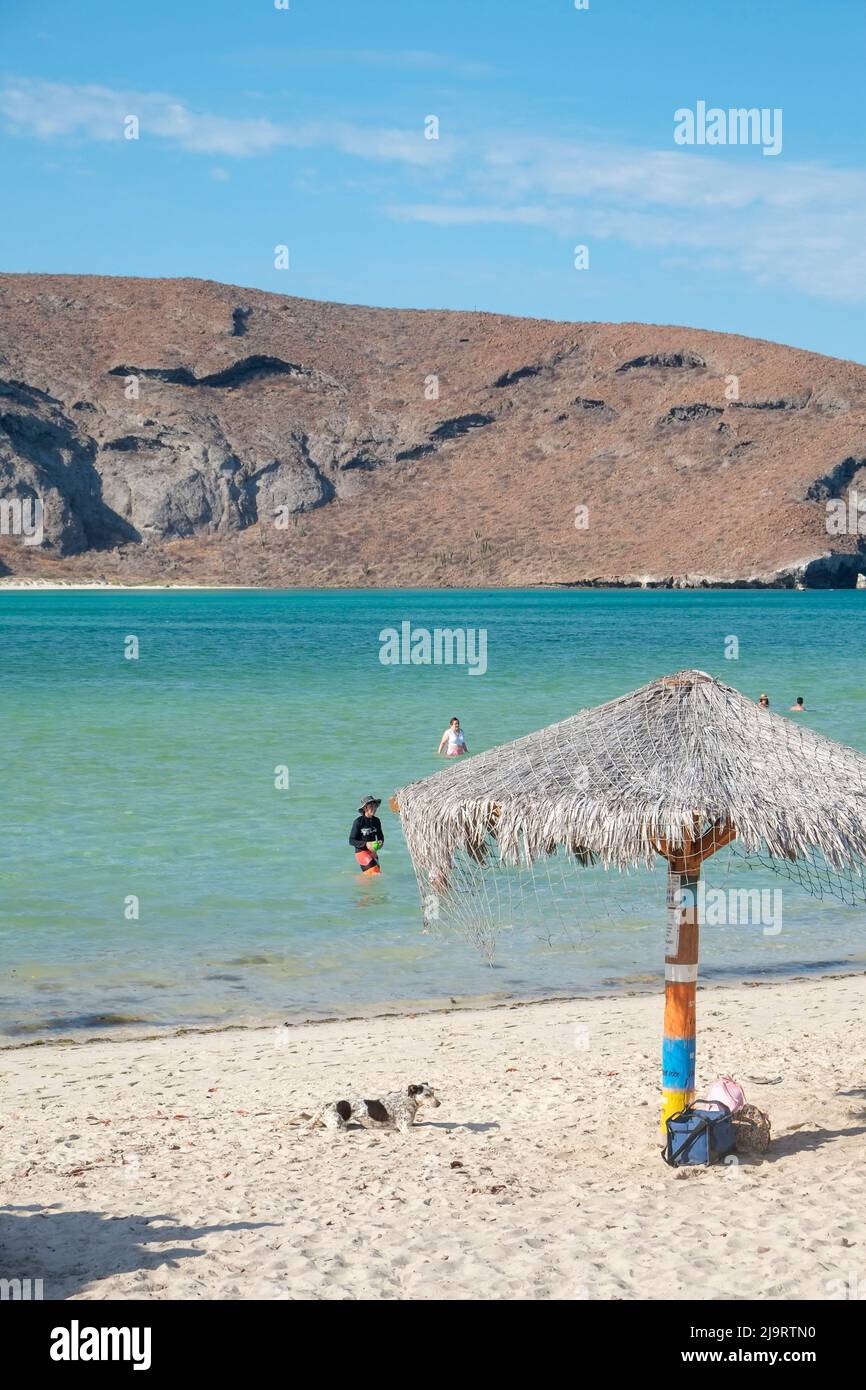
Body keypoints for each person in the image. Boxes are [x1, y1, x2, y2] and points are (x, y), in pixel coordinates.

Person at [349, 796, 384, 874]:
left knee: (376, 875)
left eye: (375, 806)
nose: (374, 808)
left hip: (373, 851)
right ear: (365, 808)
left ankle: (358, 882)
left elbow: (380, 836)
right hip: (361, 852)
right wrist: (366, 844)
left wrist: (380, 843)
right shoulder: (358, 822)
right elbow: (351, 840)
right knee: (375, 872)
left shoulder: (377, 821)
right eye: (371, 806)